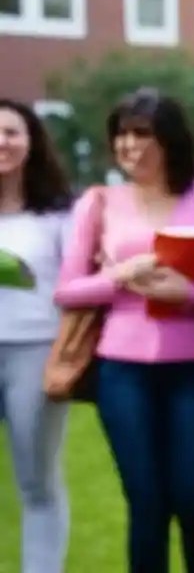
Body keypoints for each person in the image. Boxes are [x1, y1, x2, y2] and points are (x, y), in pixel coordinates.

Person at [55, 89, 194, 573]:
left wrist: (189, 294)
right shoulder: (99, 202)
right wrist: (119, 276)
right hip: (122, 374)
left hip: (190, 372)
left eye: (141, 133)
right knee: (147, 504)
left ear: (169, 139)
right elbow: (67, 291)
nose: (128, 144)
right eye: (121, 134)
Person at [0, 98, 73, 573]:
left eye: (11, 132)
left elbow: (77, 287)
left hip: (36, 351)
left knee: (37, 482)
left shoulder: (58, 214)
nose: (1, 142)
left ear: (31, 143)